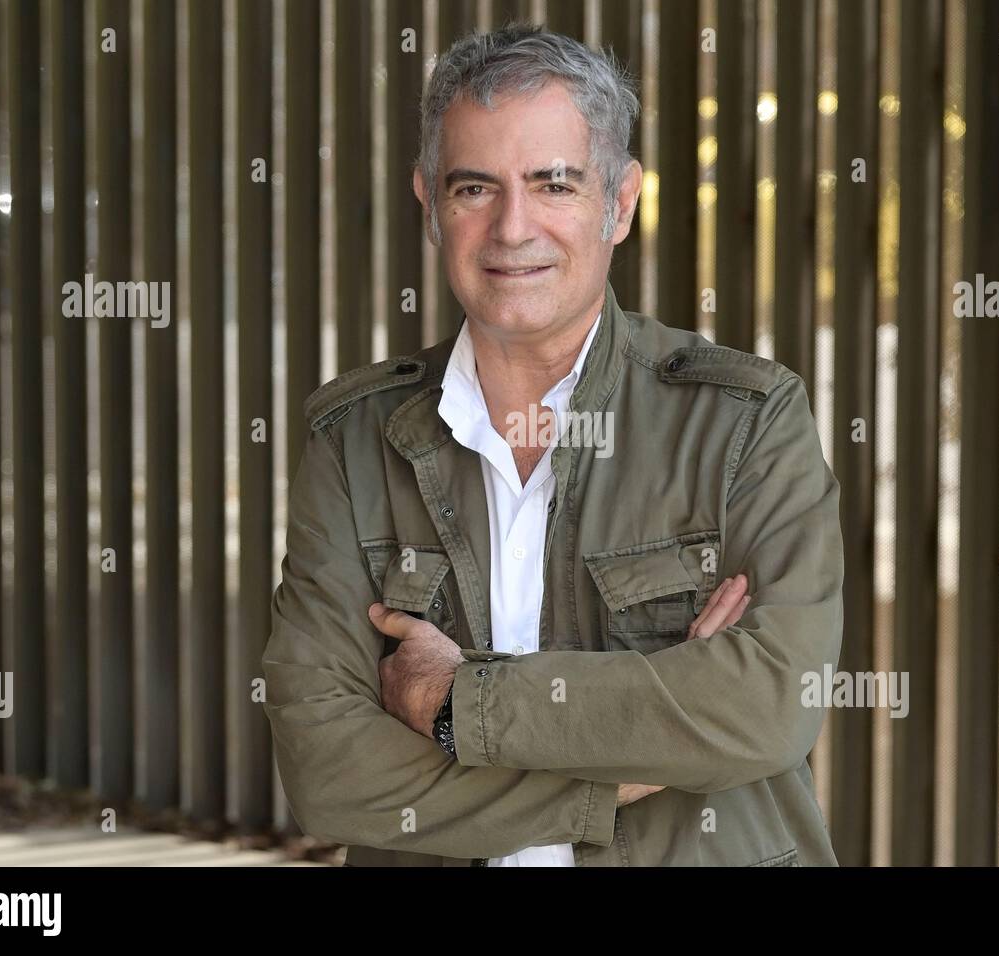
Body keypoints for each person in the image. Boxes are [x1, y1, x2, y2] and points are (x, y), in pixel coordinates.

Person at [263, 23, 843, 867]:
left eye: (554, 184)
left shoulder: (743, 421)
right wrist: (611, 776)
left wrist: (459, 701)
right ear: (429, 202)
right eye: (474, 189)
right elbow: (327, 770)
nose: (512, 228)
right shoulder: (353, 441)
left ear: (622, 202)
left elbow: (768, 708)